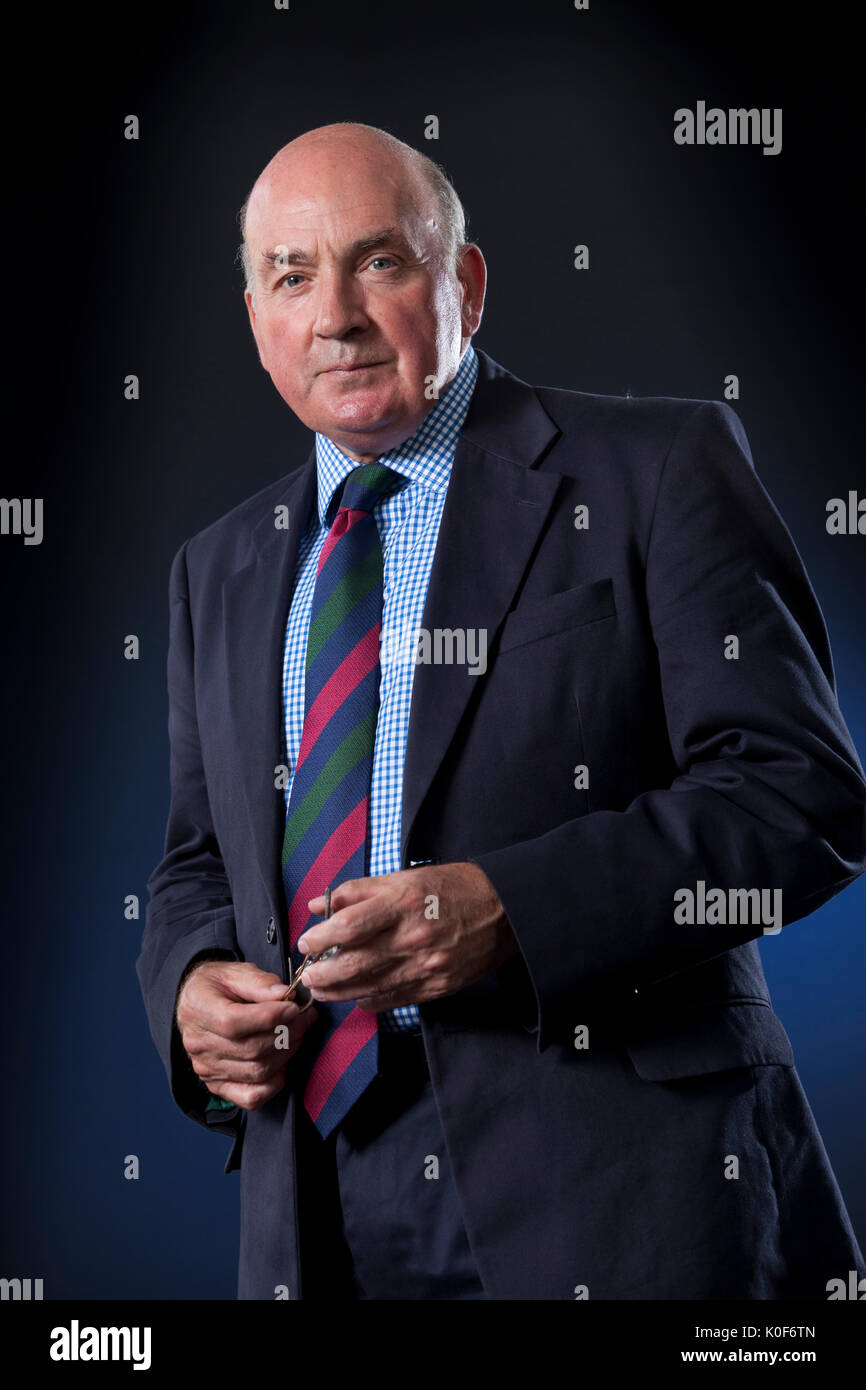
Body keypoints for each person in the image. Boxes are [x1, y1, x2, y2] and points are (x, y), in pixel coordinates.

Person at [138, 122, 866, 1300]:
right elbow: (191, 866)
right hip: (313, 1207)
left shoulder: (656, 467)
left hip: (624, 1191)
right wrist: (187, 989)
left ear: (462, 284)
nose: (335, 313)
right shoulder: (213, 571)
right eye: (290, 274)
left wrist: (511, 910)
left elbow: (800, 797)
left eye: (379, 261)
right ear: (255, 316)